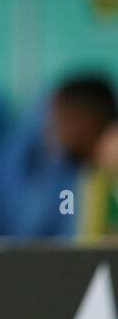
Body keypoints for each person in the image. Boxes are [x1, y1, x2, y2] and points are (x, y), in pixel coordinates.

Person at [50, 75, 118, 239]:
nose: (53, 133)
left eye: (60, 120)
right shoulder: (92, 173)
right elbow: (89, 248)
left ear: (84, 119)